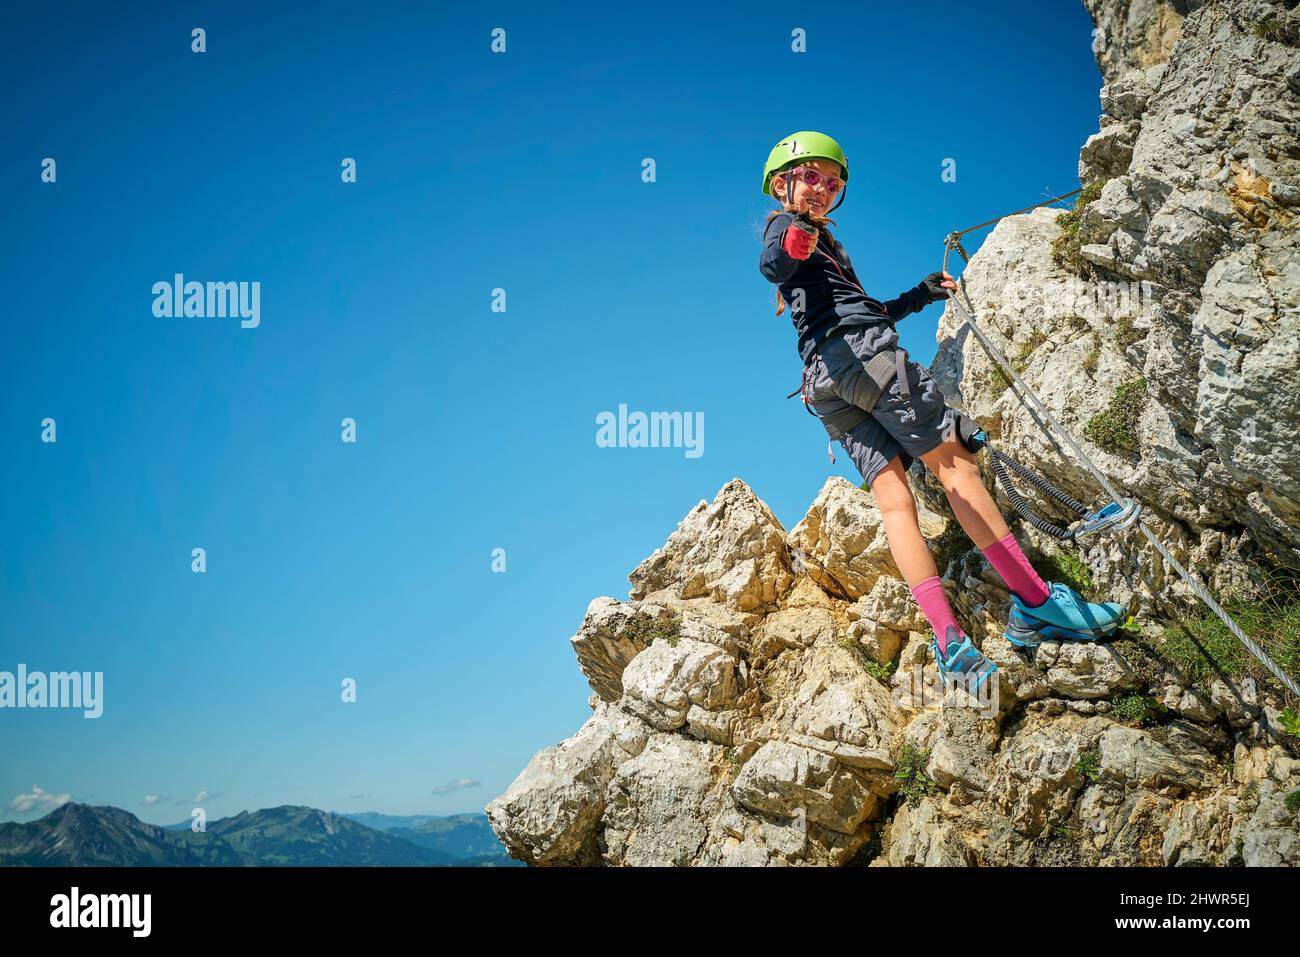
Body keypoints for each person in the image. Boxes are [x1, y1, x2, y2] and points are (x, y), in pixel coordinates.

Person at [757, 130, 1127, 693]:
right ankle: (1034, 601)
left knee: (895, 504)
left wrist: (919, 295)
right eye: (811, 177)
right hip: (864, 357)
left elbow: (857, 306)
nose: (823, 189)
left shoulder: (817, 247)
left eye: (831, 183)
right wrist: (802, 228)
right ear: (782, 184)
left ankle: (951, 643)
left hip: (826, 383)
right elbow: (778, 261)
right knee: (955, 467)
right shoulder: (788, 228)